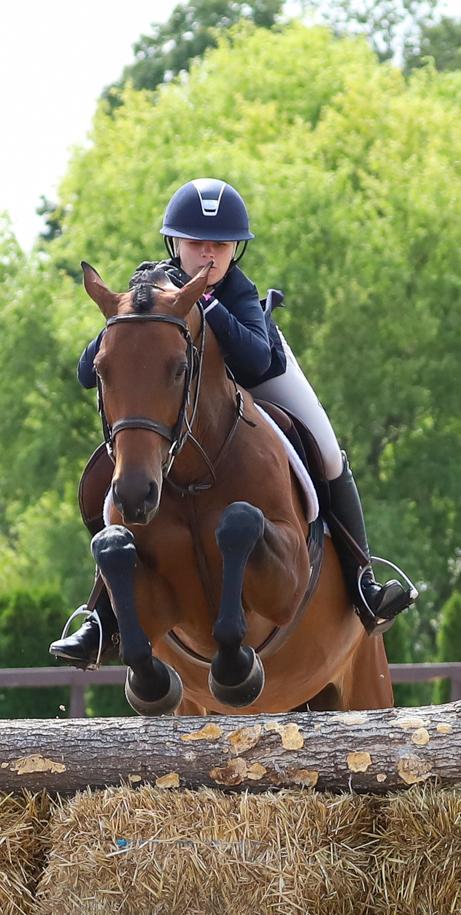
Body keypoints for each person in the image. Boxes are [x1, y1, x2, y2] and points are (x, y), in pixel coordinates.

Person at [50, 177, 414, 668]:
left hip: (258, 378)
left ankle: (362, 582)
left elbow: (255, 361)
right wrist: (124, 323)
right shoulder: (152, 288)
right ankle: (101, 618)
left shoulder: (238, 293)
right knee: (115, 475)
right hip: (181, 405)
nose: (208, 254)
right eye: (197, 242)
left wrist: (207, 303)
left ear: (234, 251)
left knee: (327, 452)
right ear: (174, 243)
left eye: (220, 245)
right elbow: (86, 372)